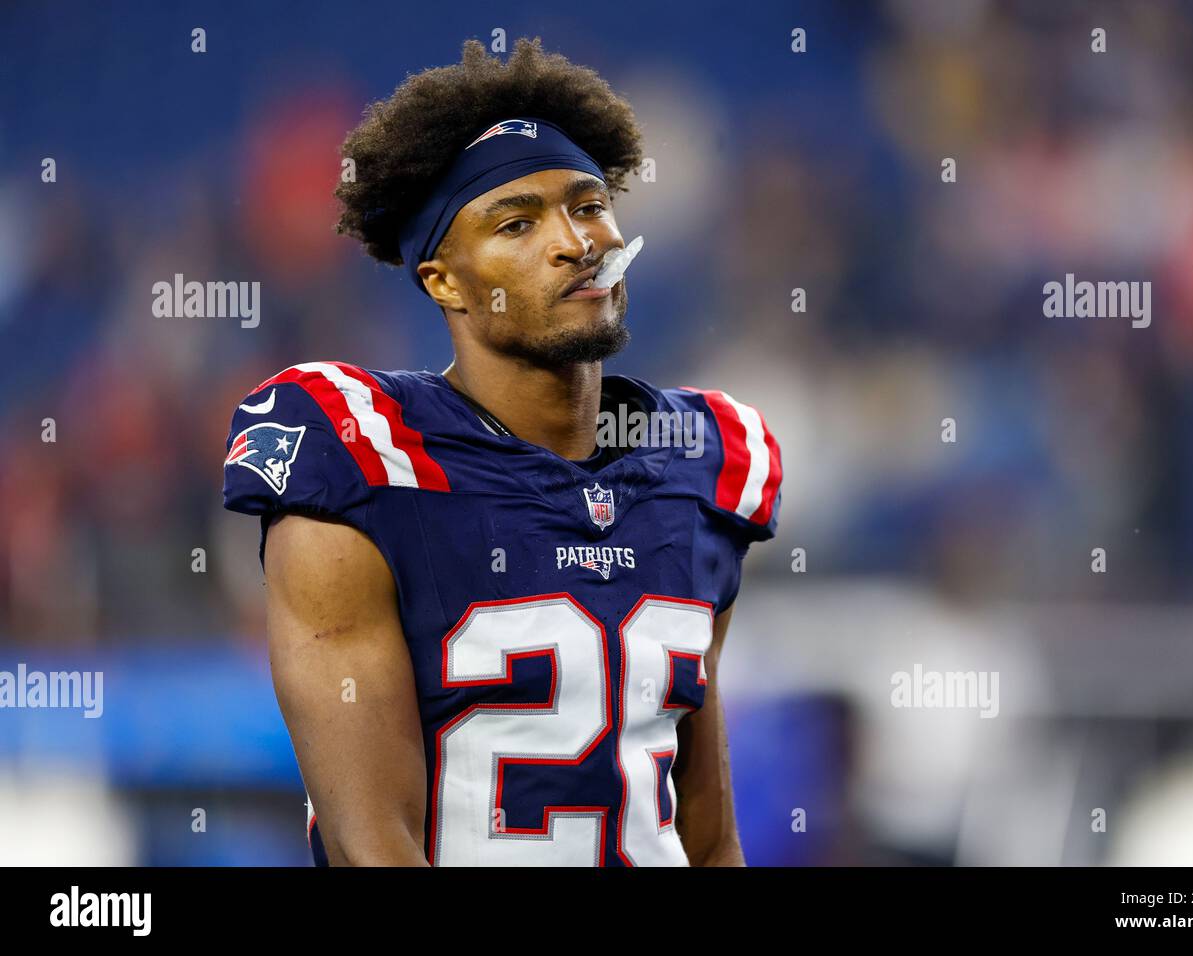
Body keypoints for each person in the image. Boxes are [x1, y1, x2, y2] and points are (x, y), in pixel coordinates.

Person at [222, 37, 781, 866]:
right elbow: (371, 843)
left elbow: (708, 837)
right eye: (516, 223)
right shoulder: (364, 457)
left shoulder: (705, 463)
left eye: (588, 206)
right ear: (443, 279)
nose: (575, 242)